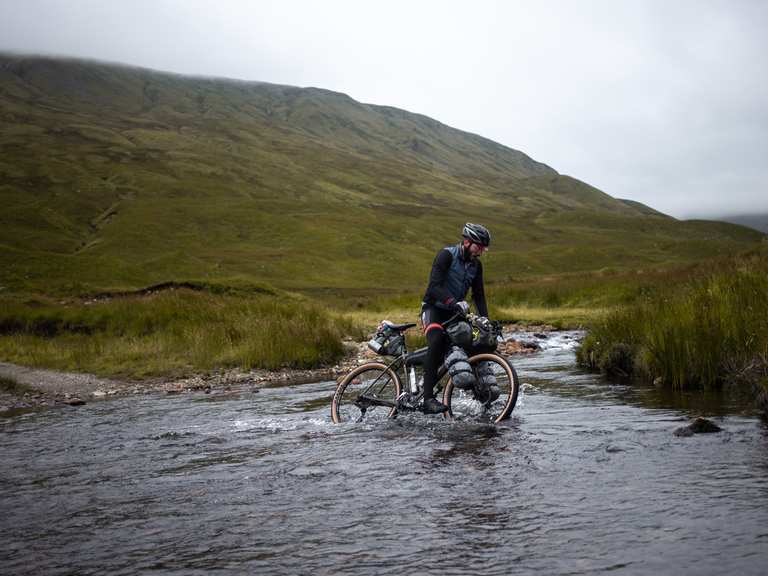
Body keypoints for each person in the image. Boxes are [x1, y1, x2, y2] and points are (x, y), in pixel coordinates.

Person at [420, 223, 492, 414]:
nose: (481, 251)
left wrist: (486, 321)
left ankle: (481, 394)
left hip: (455, 313)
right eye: (479, 246)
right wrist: (453, 302)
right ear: (467, 241)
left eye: (484, 248)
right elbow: (433, 287)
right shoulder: (446, 255)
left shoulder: (477, 265)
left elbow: (479, 296)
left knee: (470, 344)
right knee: (436, 341)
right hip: (433, 308)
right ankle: (427, 398)